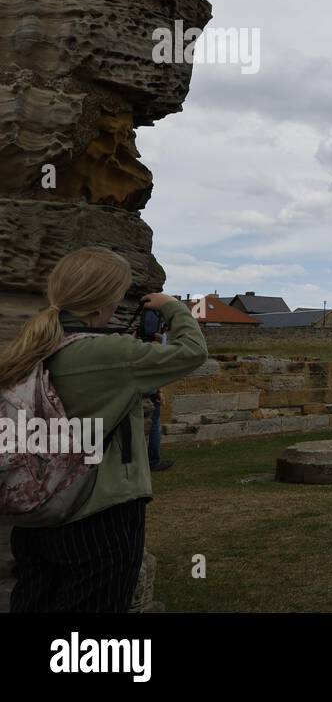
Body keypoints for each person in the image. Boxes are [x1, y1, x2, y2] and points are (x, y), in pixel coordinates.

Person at [0, 247, 207, 612]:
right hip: (100, 512)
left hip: (33, 514)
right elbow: (192, 351)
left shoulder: (27, 348)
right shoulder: (114, 353)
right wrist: (171, 306)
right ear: (101, 305)